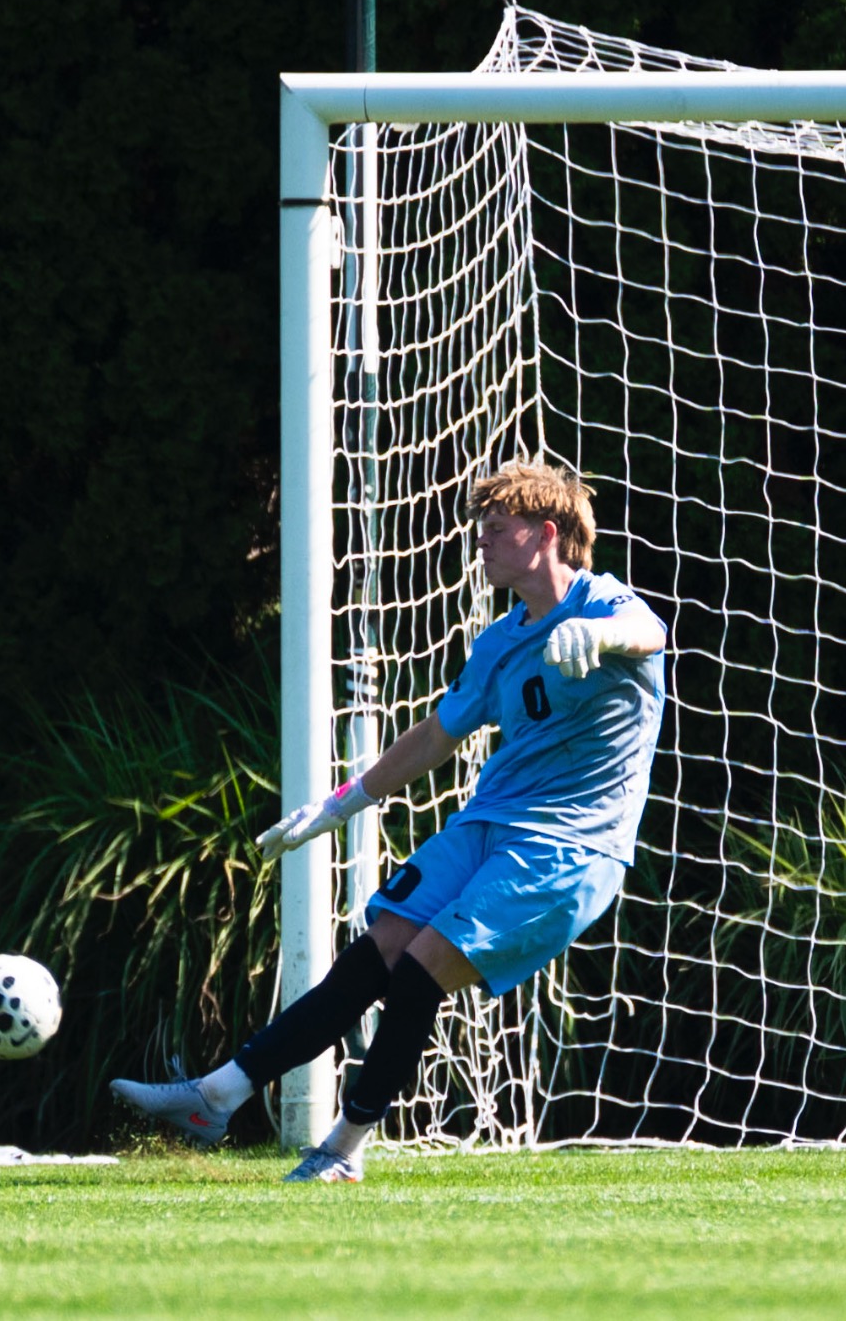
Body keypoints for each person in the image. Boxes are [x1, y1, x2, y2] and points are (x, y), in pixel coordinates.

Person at [110, 458, 667, 1182]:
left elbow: (648, 629)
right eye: (481, 530)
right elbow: (436, 737)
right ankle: (216, 1096)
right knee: (378, 950)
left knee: (418, 971)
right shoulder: (500, 641)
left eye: (498, 529)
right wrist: (337, 806)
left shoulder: (604, 602)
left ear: (546, 534)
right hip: (488, 824)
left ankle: (342, 1151)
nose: (481, 542)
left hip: (568, 846)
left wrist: (604, 637)